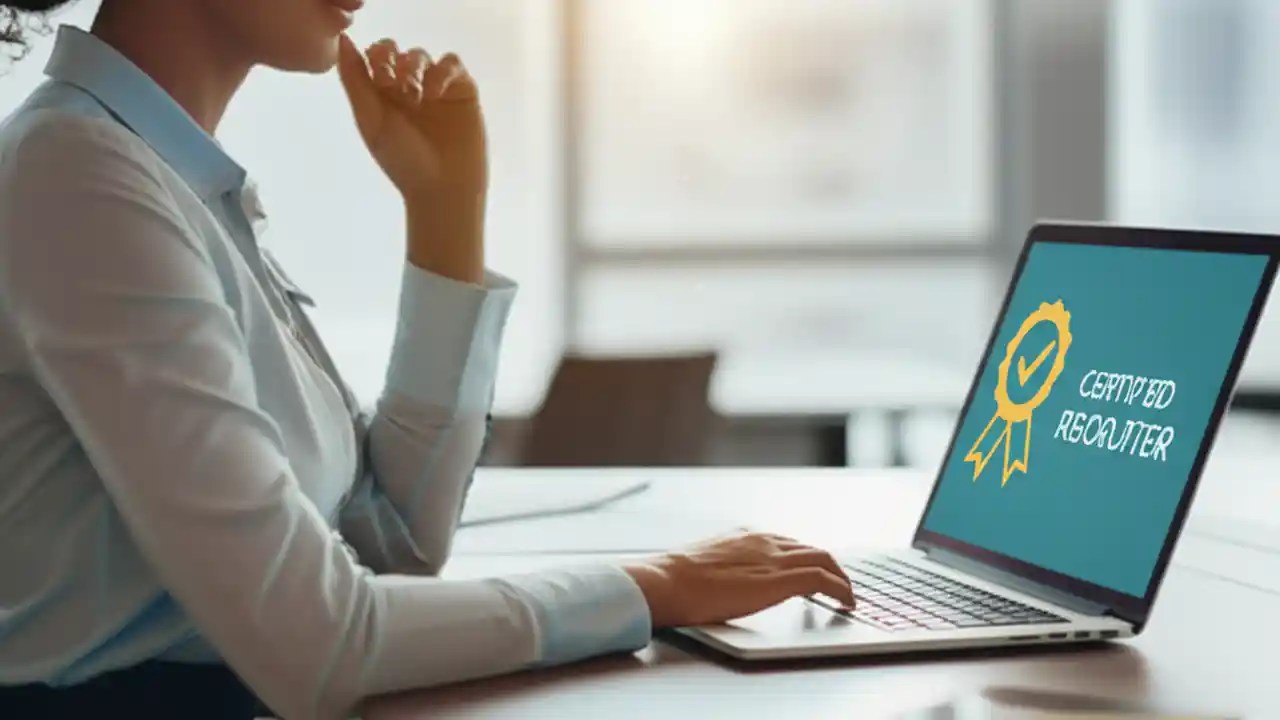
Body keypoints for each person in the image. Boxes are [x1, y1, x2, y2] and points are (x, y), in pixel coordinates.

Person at [0, 1, 856, 717]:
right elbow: (320, 644)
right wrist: (656, 585)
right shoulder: (80, 178)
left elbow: (389, 545)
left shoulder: (164, 177)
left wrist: (446, 214)